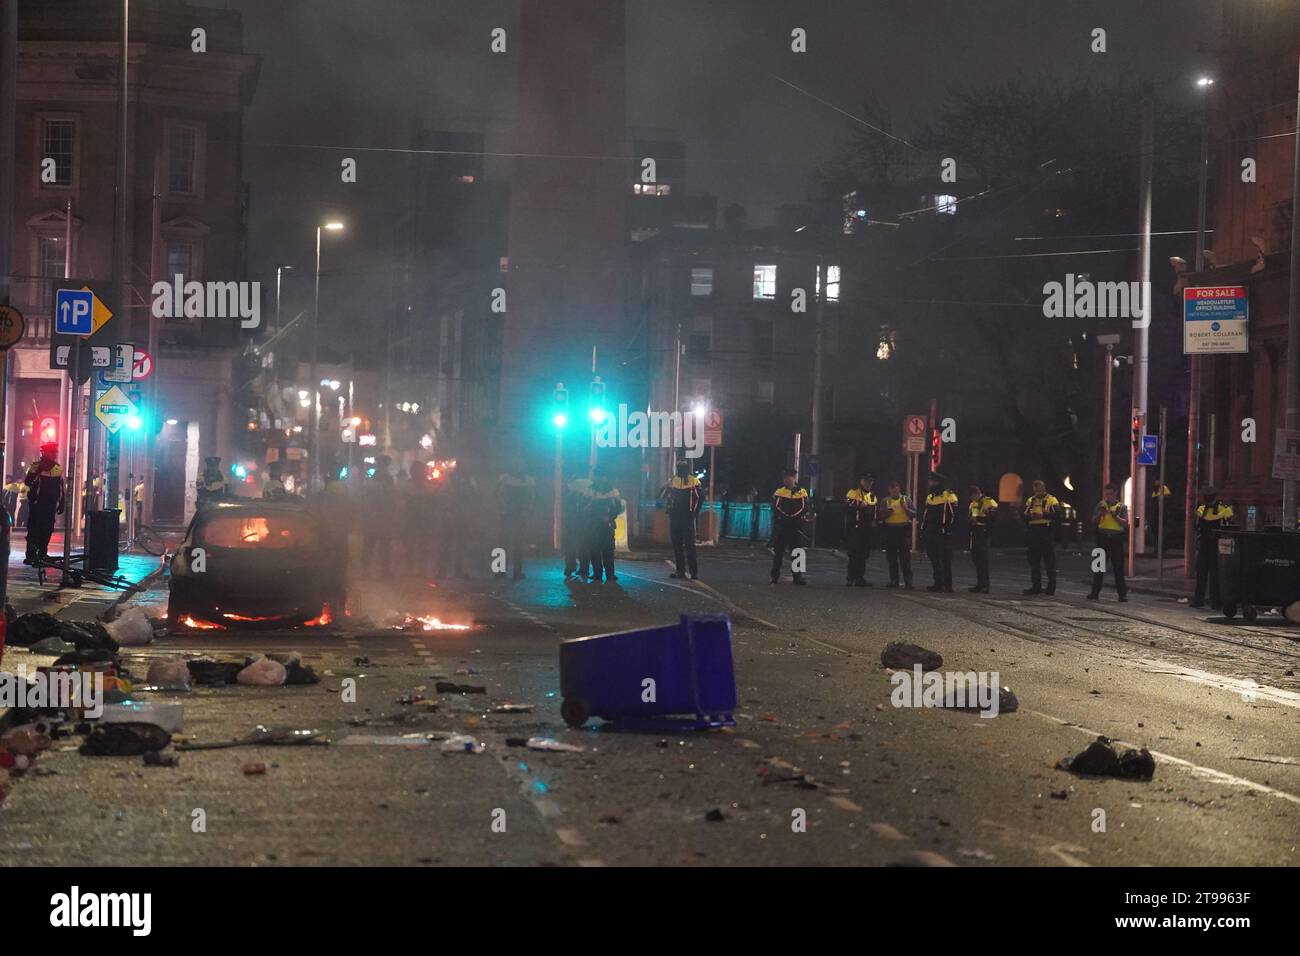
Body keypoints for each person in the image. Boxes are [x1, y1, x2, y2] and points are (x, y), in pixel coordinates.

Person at [1191, 487, 1234, 610]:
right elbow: (1230, 518)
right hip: (1211, 544)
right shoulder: (1221, 509)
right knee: (1209, 573)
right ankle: (1212, 601)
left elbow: (1198, 524)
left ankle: (1203, 600)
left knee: (1207, 573)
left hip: (1211, 544)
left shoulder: (1202, 509)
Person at [23, 442, 65, 565]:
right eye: (51, 452)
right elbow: (27, 482)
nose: (53, 455)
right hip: (37, 504)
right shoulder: (35, 466)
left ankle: (42, 553)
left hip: (50, 504)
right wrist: (38, 471)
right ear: (44, 453)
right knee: (34, 529)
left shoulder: (58, 469)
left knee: (47, 529)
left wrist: (62, 502)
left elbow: (62, 487)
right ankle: (31, 555)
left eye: (54, 452)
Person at [660, 461, 702, 580]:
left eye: (682, 468)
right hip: (676, 517)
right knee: (678, 545)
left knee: (689, 546)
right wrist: (667, 486)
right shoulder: (673, 481)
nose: (680, 470)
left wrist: (693, 513)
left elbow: (699, 499)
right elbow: (662, 496)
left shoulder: (694, 481)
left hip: (686, 518)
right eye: (679, 468)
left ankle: (693, 572)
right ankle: (681, 571)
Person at [1088, 483, 1129, 602]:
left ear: (1115, 493)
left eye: (1110, 494)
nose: (1107, 496)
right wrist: (1100, 514)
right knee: (1099, 567)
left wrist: (1114, 516)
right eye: (1106, 494)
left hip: (1116, 539)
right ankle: (1094, 593)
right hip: (1102, 538)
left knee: (1118, 568)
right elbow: (1093, 521)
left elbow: (1125, 523)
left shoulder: (1121, 507)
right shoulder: (1100, 505)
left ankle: (1122, 595)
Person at [770, 468, 810, 585]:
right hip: (782, 526)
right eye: (785, 478)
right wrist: (786, 516)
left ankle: (798, 577)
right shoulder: (779, 492)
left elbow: (804, 507)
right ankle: (774, 576)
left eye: (789, 477)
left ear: (794, 478)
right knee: (778, 552)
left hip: (795, 526)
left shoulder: (801, 492)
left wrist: (793, 517)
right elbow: (776, 507)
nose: (787, 480)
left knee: (797, 551)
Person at [920, 473, 957, 592]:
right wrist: (923, 530)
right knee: (934, 559)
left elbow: (953, 516)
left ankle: (948, 585)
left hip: (943, 534)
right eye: (930, 481)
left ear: (938, 482)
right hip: (931, 533)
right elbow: (925, 516)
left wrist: (948, 530)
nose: (930, 484)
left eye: (932, 481)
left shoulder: (949, 496)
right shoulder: (930, 497)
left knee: (945, 560)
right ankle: (938, 583)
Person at [361, 455, 397, 577]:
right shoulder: (371, 482)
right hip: (373, 517)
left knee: (384, 546)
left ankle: (384, 570)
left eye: (384, 465)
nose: (383, 467)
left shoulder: (389, 481)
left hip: (384, 517)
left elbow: (393, 500)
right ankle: (366, 570)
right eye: (382, 464)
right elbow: (366, 500)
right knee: (369, 545)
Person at [1022, 479, 1060, 595]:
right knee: (1034, 562)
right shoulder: (1031, 500)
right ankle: (1036, 587)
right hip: (1034, 532)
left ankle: (1051, 588)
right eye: (1035, 490)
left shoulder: (1051, 500)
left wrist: (1043, 515)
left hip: (1046, 532)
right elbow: (1024, 515)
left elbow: (1058, 515)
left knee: (1050, 562)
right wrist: (1030, 517)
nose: (1037, 493)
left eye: (1039, 490)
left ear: (1044, 489)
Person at [497, 468, 536, 580]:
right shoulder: (528, 482)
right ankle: (517, 572)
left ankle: (500, 572)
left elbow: (497, 496)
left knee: (503, 545)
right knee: (517, 545)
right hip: (519, 517)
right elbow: (532, 499)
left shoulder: (504, 479)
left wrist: (501, 510)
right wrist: (527, 512)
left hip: (507, 516)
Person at [586, 471, 623, 583]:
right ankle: (599, 574)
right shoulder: (591, 490)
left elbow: (618, 508)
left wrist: (610, 516)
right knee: (595, 550)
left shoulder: (613, 491)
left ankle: (609, 574)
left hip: (606, 524)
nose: (601, 478)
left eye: (602, 475)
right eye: (599, 476)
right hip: (595, 524)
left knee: (608, 550)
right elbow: (585, 507)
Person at [879, 479, 915, 589]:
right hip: (890, 531)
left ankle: (908, 582)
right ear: (889, 490)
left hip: (903, 531)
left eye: (896, 488)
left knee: (905, 559)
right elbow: (881, 516)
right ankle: (894, 581)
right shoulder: (885, 501)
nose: (894, 491)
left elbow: (914, 514)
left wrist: (905, 508)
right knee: (892, 559)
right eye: (892, 489)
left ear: (899, 488)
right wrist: (887, 513)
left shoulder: (906, 500)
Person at [844, 472, 877, 587]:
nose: (868, 484)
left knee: (863, 555)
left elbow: (874, 512)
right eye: (866, 481)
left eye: (870, 481)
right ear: (861, 481)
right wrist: (859, 504)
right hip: (855, 528)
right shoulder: (854, 492)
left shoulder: (872, 496)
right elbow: (847, 505)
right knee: (854, 554)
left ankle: (860, 578)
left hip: (867, 529)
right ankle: (850, 578)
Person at [967, 484, 998, 593]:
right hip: (975, 531)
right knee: (976, 558)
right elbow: (971, 515)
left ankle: (985, 585)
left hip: (984, 532)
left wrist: (987, 513)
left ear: (976, 493)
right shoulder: (973, 504)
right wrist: (971, 520)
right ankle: (980, 584)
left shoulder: (988, 501)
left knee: (983, 560)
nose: (972, 499)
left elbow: (995, 515)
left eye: (972, 496)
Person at [562, 474, 592, 579]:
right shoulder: (583, 495)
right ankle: (581, 568)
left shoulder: (571, 495)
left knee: (575, 546)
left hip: (577, 523)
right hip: (578, 523)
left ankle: (573, 567)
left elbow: (567, 510)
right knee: (580, 546)